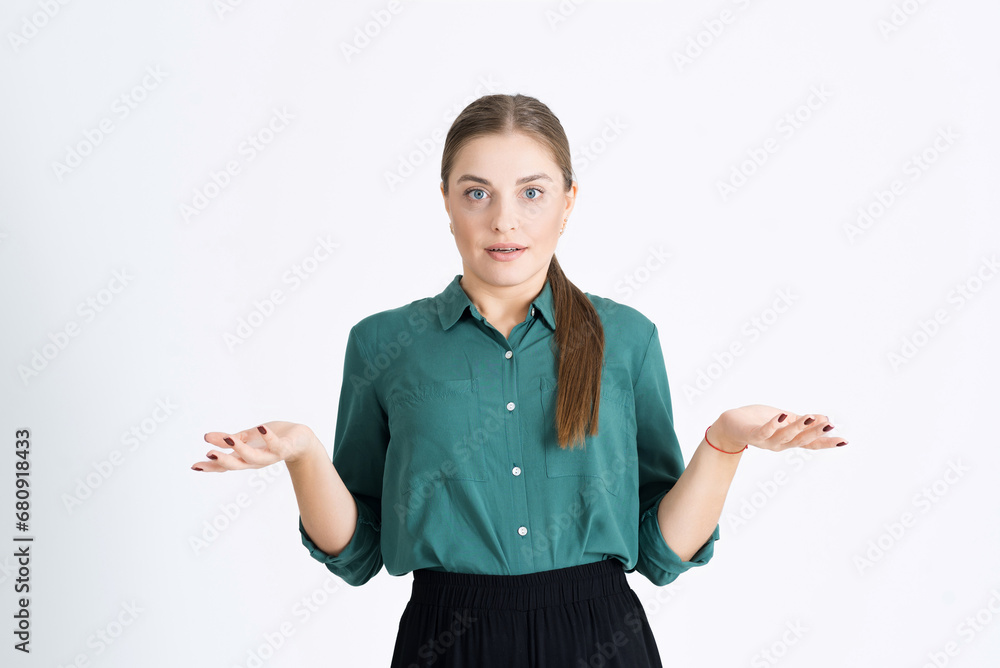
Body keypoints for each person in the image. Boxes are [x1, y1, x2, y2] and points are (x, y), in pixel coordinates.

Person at [191, 93, 848, 667]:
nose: (504, 219)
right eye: (476, 192)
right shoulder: (383, 346)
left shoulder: (627, 340)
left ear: (568, 203)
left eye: (532, 192)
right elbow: (359, 549)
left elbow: (657, 550)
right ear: (445, 202)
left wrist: (725, 443)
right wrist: (304, 455)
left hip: (602, 638)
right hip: (447, 640)